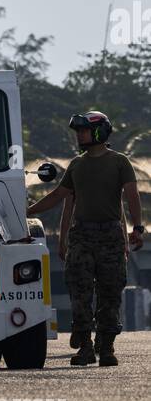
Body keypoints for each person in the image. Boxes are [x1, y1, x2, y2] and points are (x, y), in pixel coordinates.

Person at [27, 111, 144, 367]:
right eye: (78, 131)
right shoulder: (77, 165)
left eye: (83, 130)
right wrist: (27, 211)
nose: (79, 135)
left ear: (99, 131)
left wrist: (137, 228)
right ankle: (86, 347)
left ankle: (107, 347)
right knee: (79, 291)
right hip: (82, 235)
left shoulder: (119, 162)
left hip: (111, 235)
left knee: (110, 292)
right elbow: (59, 195)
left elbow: (132, 196)